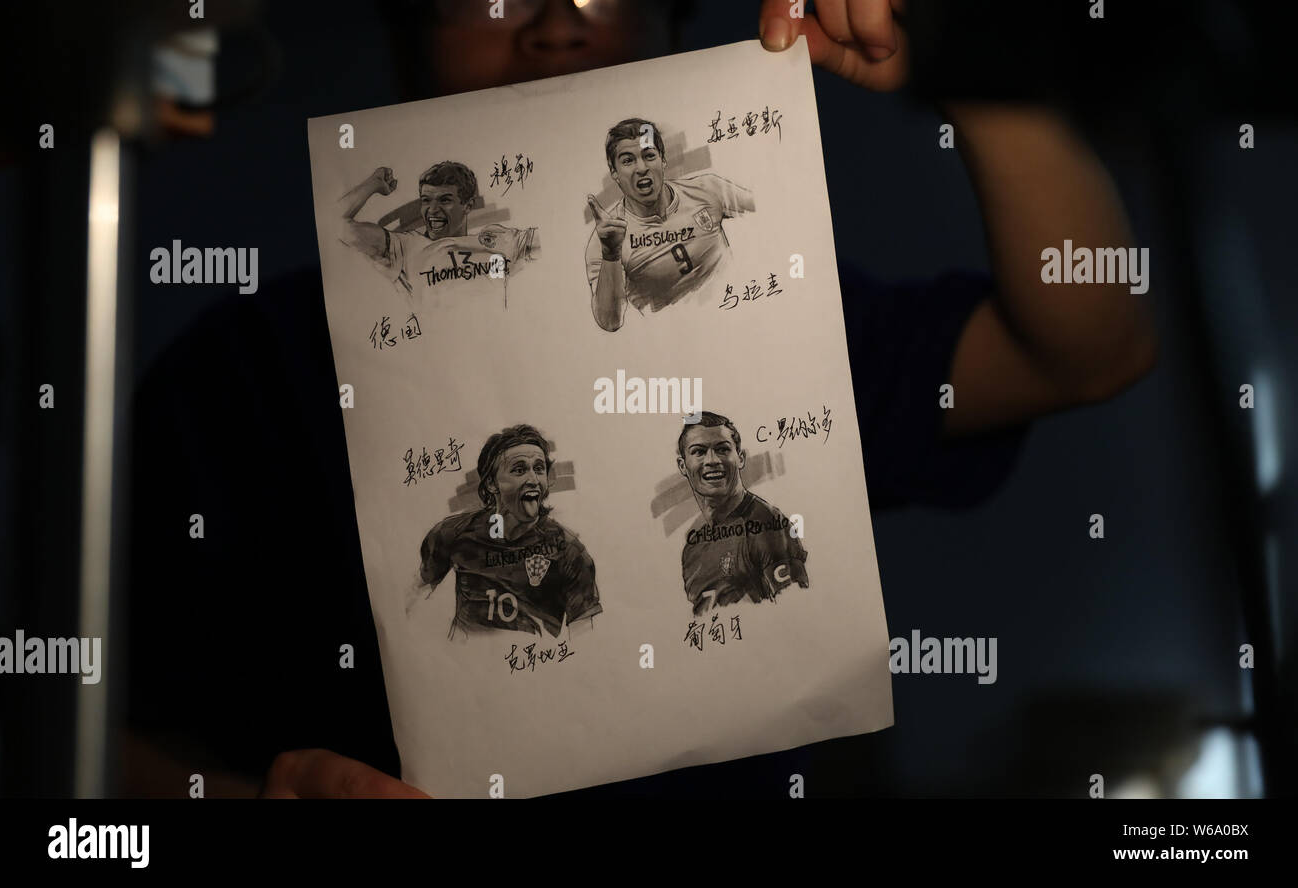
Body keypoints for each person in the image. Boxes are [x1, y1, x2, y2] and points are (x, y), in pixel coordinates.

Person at [128, 0, 1157, 798]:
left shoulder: (772, 308)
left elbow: (1086, 351)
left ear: (669, 28)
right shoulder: (242, 372)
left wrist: (963, 55)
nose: (552, 27)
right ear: (404, 31)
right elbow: (72, 746)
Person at [411, 425, 602, 639]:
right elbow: (412, 603)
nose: (533, 480)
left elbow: (584, 642)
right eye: (519, 470)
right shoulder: (451, 533)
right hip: (466, 662)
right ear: (492, 483)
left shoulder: (570, 552)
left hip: (534, 664)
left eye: (539, 469)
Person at [586, 118, 754, 329]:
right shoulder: (605, 239)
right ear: (614, 172)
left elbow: (769, 209)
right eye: (628, 160)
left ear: (663, 160)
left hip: (734, 318)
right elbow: (610, 322)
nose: (641, 168)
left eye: (649, 156)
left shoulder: (709, 190)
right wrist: (611, 253)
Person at [339, 161, 538, 304]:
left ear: (468, 206)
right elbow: (331, 225)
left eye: (444, 200)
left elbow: (558, 240)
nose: (432, 210)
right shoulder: (404, 247)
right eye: (426, 200)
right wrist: (373, 183)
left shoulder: (499, 240)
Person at [676, 412, 809, 614]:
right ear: (682, 465)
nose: (712, 460)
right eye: (699, 452)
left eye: (722, 449)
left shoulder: (768, 525)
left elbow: (796, 613)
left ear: (740, 458)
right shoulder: (693, 547)